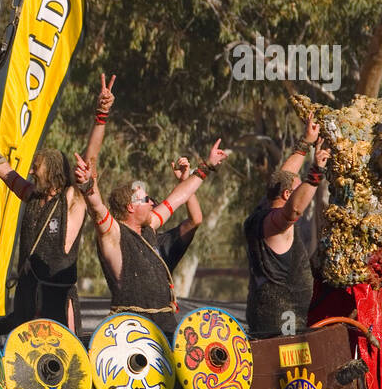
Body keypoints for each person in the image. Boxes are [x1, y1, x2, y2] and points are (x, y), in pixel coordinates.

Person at [0, 74, 117, 335]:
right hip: (27, 297)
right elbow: (4, 171)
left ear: (53, 171)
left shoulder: (72, 200)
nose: (32, 172)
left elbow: (90, 158)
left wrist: (101, 115)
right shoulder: (32, 196)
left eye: (37, 168)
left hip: (57, 302)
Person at [74, 139, 229, 336]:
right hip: (133, 335)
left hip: (166, 328)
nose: (152, 203)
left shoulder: (148, 227)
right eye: (146, 200)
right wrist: (88, 187)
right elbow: (97, 209)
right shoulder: (113, 235)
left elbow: (178, 197)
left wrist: (206, 167)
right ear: (131, 207)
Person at [245, 116, 330, 338]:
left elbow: (282, 178)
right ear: (287, 195)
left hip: (265, 316)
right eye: (298, 187)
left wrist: (305, 142)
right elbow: (293, 210)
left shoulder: (259, 211)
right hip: (283, 323)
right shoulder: (275, 223)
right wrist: (315, 172)